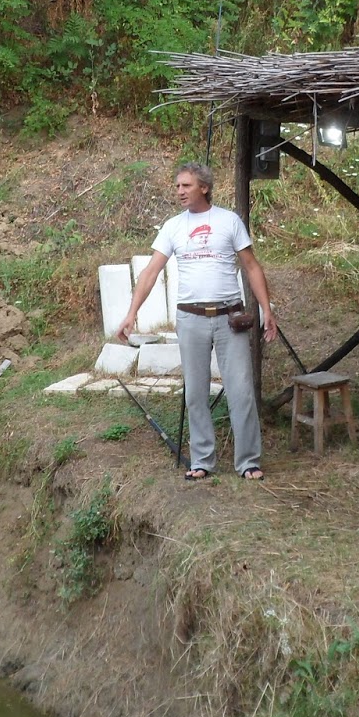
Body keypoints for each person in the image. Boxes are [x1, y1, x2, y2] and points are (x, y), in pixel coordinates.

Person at [117, 162, 278, 481]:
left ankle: (248, 461)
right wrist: (132, 312)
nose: (179, 191)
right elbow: (151, 272)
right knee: (195, 392)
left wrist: (266, 310)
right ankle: (202, 459)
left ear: (204, 187)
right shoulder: (173, 227)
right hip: (190, 318)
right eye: (177, 186)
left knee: (241, 390)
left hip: (230, 317)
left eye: (186, 186)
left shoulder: (228, 221)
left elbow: (252, 267)